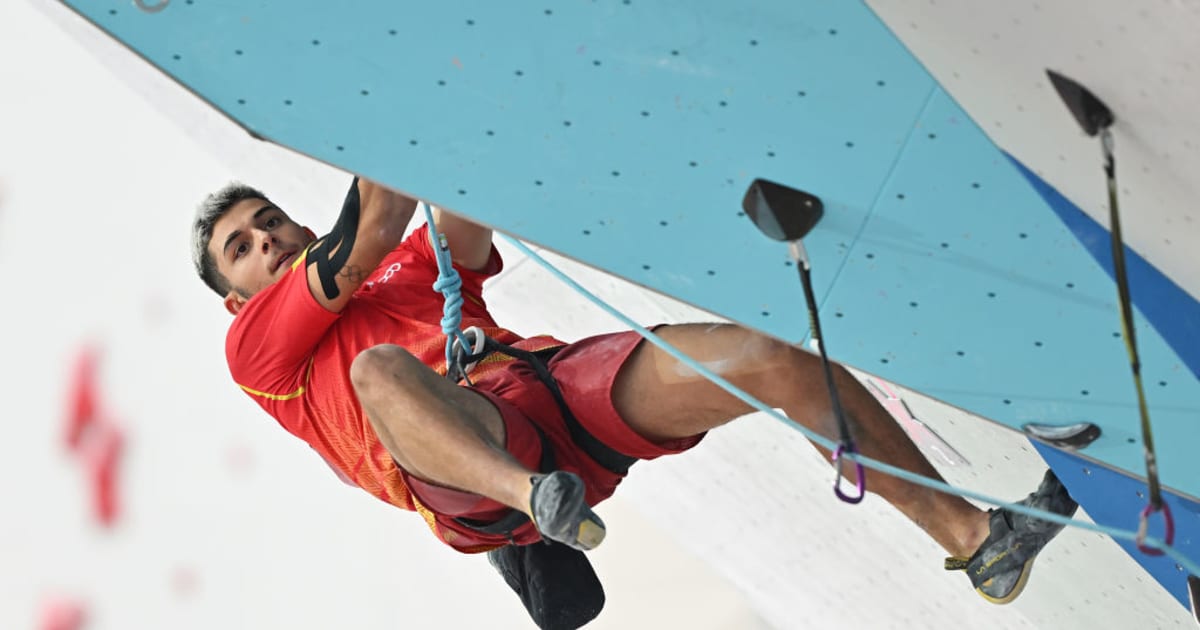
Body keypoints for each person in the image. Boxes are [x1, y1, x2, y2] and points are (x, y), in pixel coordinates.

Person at [192, 176, 1078, 628]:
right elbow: (371, 223)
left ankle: (979, 543)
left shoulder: (401, 270)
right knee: (380, 371)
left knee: (765, 360)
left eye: (268, 220)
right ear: (236, 298)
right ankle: (534, 505)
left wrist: (438, 148)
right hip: (468, 475)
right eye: (241, 247)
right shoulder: (258, 349)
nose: (265, 239)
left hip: (542, 394)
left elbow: (451, 206)